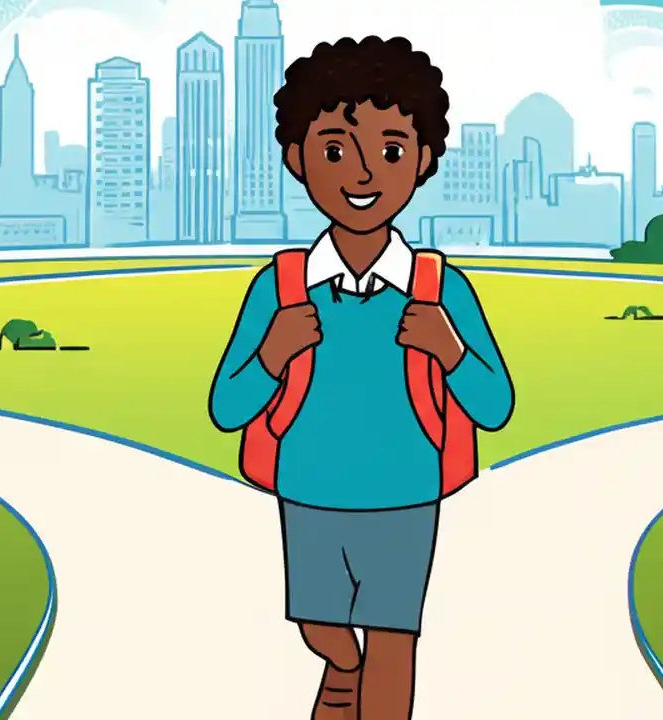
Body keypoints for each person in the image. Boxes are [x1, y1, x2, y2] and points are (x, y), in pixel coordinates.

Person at [208, 36, 514, 720]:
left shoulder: (438, 288)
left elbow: (495, 404)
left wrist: (451, 349)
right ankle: (342, 669)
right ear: (298, 160)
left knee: (394, 645)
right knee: (323, 632)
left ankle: (357, 686)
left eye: (393, 150)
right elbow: (227, 405)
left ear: (424, 162)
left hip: (407, 495)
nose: (364, 174)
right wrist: (271, 356)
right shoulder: (281, 287)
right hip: (308, 492)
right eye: (336, 150)